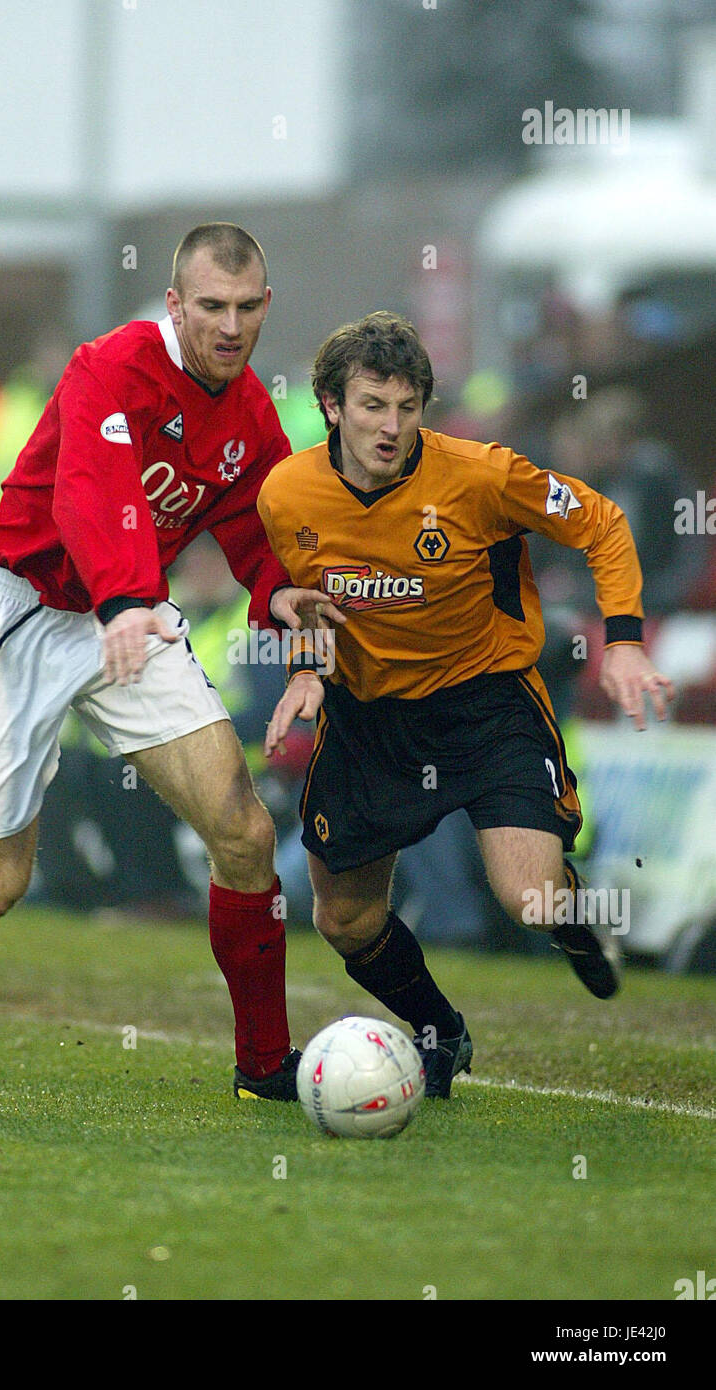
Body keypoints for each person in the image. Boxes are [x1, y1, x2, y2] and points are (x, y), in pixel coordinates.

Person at [0, 222, 344, 1102]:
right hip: (26, 611)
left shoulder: (249, 411)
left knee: (242, 834)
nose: (229, 326)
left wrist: (280, 595)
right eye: (210, 306)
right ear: (175, 305)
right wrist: (127, 597)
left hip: (127, 616)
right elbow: (92, 490)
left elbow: (260, 528)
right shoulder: (110, 366)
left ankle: (262, 1066)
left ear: (265, 307)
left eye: (246, 308)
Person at [257, 311, 674, 1099]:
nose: (390, 426)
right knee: (342, 920)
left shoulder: (483, 476)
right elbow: (307, 600)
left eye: (406, 407)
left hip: (484, 706)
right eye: (371, 405)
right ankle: (440, 1032)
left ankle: (572, 922)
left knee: (529, 899)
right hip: (368, 718)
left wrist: (621, 641)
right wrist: (306, 669)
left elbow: (602, 523)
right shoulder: (287, 493)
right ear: (330, 405)